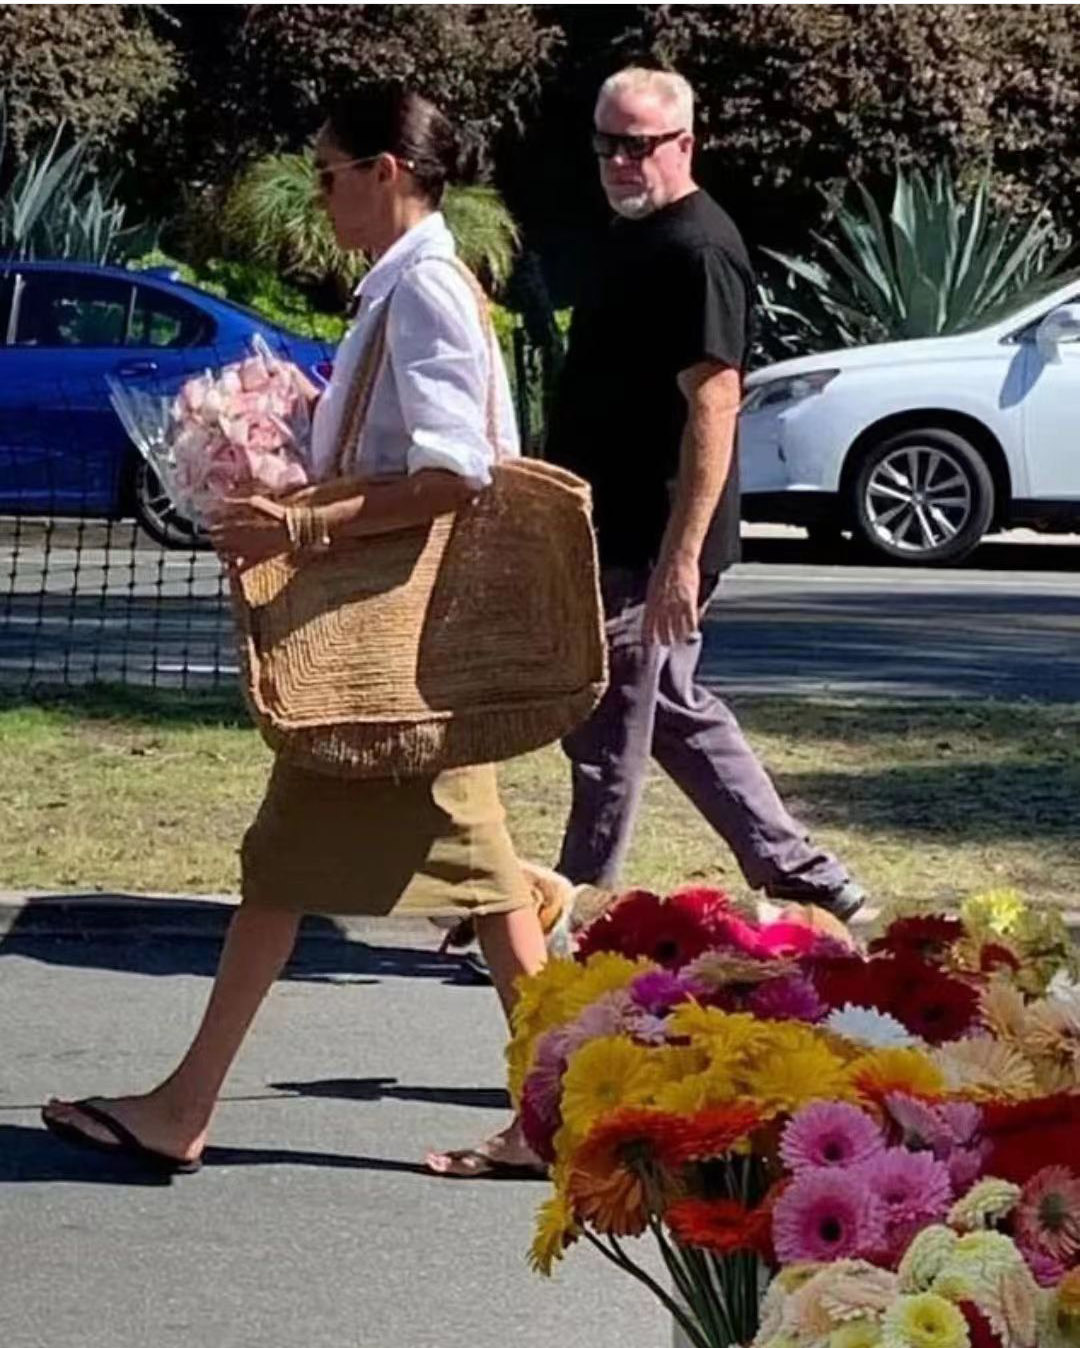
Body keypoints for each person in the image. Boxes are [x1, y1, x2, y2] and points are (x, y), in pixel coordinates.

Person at [42, 85, 545, 1181]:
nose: (319, 197)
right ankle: (562, 1115)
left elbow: (457, 470)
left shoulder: (422, 294)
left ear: (388, 173)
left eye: (328, 174)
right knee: (453, 883)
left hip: (390, 646)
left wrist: (301, 515)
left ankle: (185, 1106)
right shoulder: (407, 288)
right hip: (402, 644)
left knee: (308, 870)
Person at [546, 67, 865, 921]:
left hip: (655, 534)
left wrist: (679, 563)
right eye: (607, 142)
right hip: (606, 526)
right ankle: (800, 870)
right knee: (671, 703)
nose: (619, 161)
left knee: (610, 721)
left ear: (684, 143)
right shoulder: (634, 232)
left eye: (639, 145)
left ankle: (563, 912)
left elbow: (716, 404)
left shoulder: (699, 249)